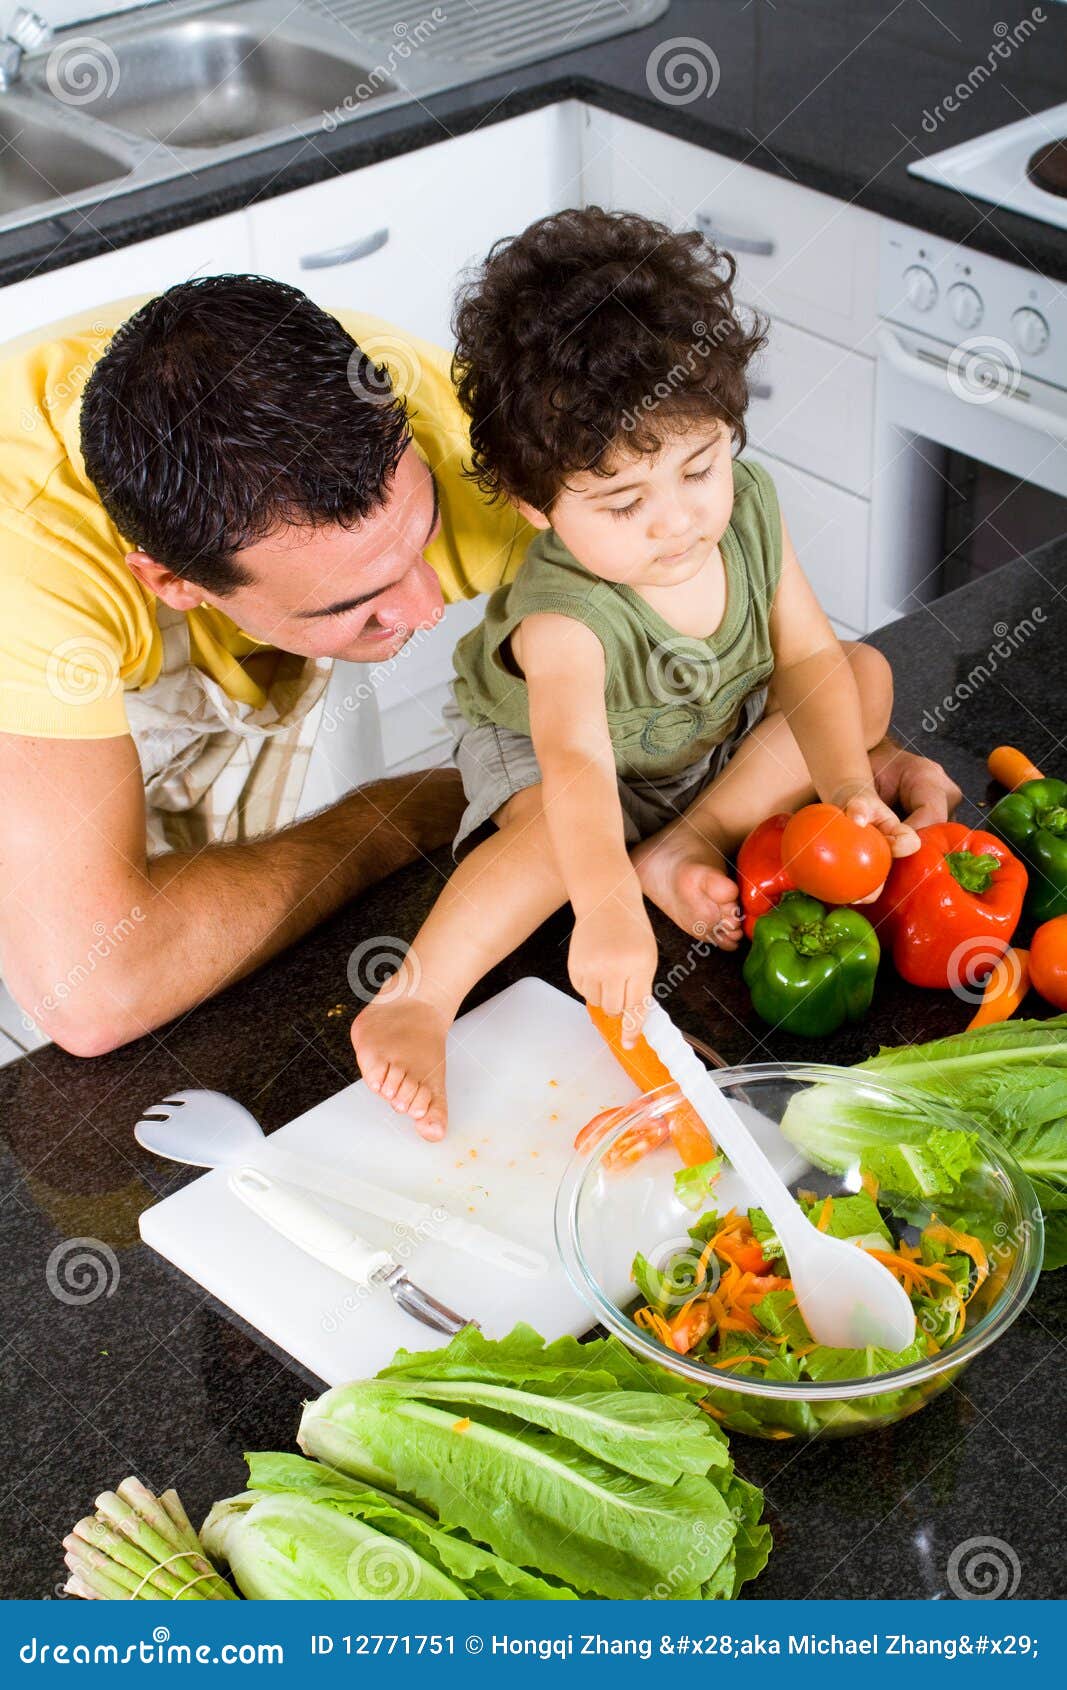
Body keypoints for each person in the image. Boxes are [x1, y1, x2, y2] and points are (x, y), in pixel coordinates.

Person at [0, 272, 959, 1059]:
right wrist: (418, 809)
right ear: (172, 584)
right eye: (353, 603)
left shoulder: (482, 439)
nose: (427, 611)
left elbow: (733, 645)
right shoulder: (30, 570)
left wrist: (847, 764)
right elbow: (90, 991)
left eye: (424, 538)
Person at [351, 208, 955, 1138]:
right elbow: (581, 770)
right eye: (624, 501)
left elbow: (803, 656)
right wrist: (606, 913)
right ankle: (415, 999)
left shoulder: (748, 506)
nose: (676, 521)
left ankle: (682, 845)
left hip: (702, 733)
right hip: (568, 767)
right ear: (535, 506)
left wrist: (845, 788)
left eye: (698, 467)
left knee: (860, 673)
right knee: (556, 835)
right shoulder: (566, 622)